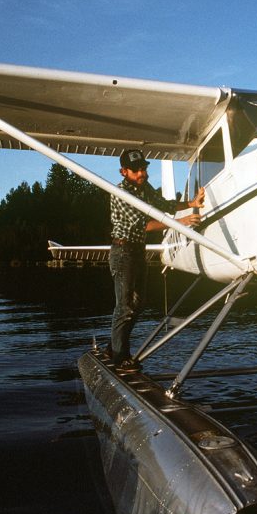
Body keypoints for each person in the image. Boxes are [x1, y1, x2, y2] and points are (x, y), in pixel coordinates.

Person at [107, 149, 204, 369]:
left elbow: (164, 204)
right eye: (136, 170)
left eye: (143, 168)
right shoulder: (121, 193)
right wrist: (182, 223)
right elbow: (144, 225)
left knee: (138, 304)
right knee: (124, 307)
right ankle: (119, 358)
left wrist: (191, 203)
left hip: (137, 250)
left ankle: (114, 346)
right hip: (122, 252)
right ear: (124, 172)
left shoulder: (144, 188)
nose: (142, 173)